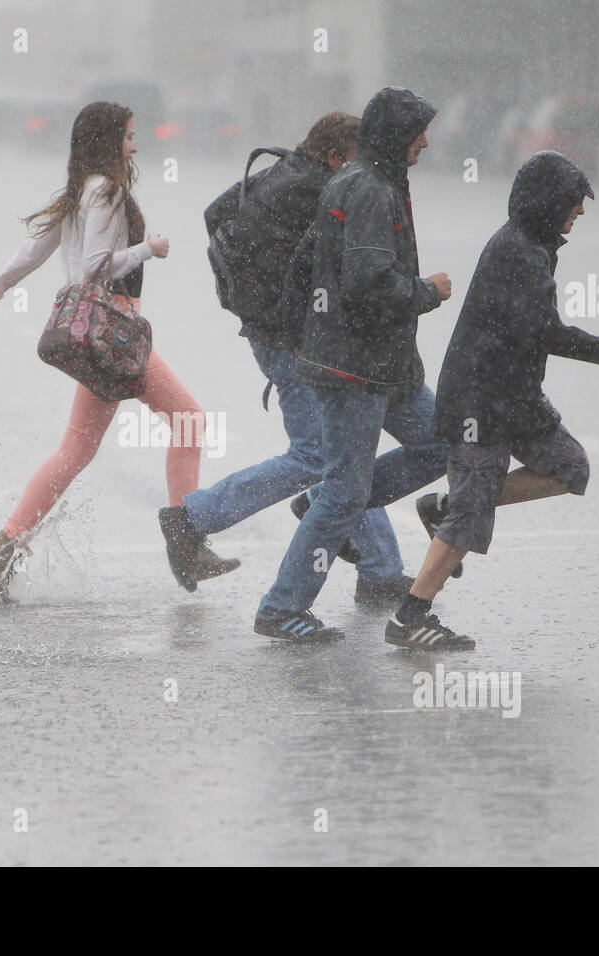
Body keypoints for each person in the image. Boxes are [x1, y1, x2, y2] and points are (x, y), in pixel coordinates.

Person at [0, 101, 238, 592]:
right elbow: (94, 266)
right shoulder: (105, 190)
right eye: (130, 135)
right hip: (114, 329)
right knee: (189, 421)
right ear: (109, 141)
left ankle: (2, 545)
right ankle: (186, 542)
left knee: (77, 448)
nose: (136, 144)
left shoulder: (80, 190)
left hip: (95, 332)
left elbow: (33, 251)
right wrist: (148, 249)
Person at [383, 151, 599, 649]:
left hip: (515, 397)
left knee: (571, 468)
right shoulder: (520, 252)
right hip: (481, 402)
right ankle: (409, 618)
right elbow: (544, 332)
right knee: (472, 515)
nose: (583, 211)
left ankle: (444, 508)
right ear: (551, 203)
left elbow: (530, 333)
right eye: (576, 202)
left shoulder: (535, 244)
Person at [161, 111, 414, 607]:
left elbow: (216, 214)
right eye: (356, 158)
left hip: (277, 336)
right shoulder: (312, 190)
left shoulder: (280, 172)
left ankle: (380, 567)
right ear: (338, 154)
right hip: (292, 345)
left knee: (339, 456)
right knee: (322, 455)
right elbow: (307, 271)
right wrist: (291, 328)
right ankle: (192, 519)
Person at [253, 86, 453, 643]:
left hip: (385, 366)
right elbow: (368, 286)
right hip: (354, 370)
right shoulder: (366, 186)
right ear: (396, 135)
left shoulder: (374, 179)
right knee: (346, 488)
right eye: (419, 132)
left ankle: (324, 504)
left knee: (443, 442)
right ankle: (281, 607)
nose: (427, 142)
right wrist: (426, 291)